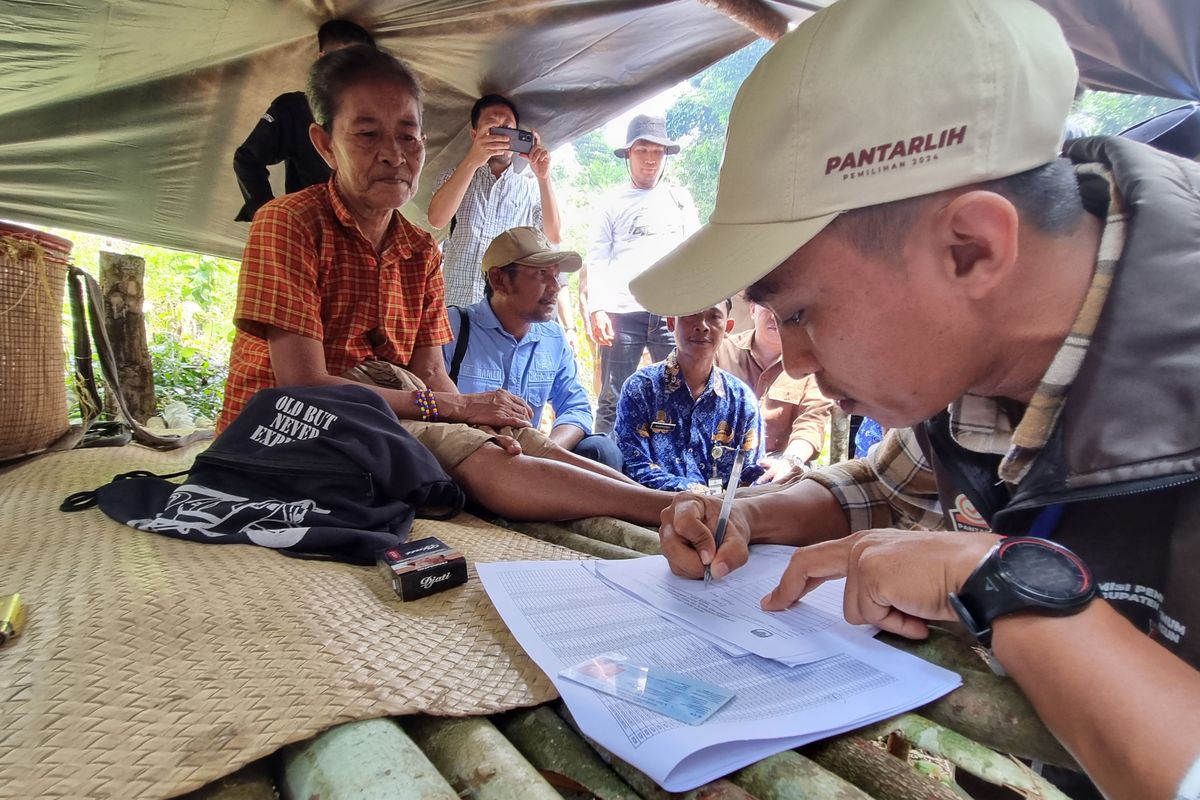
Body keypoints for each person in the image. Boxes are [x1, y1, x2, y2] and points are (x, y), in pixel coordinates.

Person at [628, 0, 1200, 797]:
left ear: (971, 249)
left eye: (799, 313)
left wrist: (1003, 584)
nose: (792, 357)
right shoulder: (975, 364)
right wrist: (750, 516)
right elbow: (884, 489)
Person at [217, 44, 675, 526]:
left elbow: (431, 374)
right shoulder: (288, 222)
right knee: (479, 449)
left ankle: (677, 504)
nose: (393, 154)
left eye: (409, 137)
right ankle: (674, 510)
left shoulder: (419, 249)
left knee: (518, 435)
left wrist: (468, 410)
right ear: (325, 143)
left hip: (381, 417)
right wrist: (454, 408)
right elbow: (304, 385)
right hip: (287, 429)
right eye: (367, 134)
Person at [442, 226, 623, 470]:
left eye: (556, 275)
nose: (555, 287)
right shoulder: (452, 327)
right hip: (468, 461)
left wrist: (545, 452)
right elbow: (433, 409)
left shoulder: (553, 337)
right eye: (541, 274)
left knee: (601, 450)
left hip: (527, 462)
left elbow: (576, 407)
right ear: (499, 280)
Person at [584, 114, 699, 434]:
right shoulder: (610, 202)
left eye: (657, 152)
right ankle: (600, 467)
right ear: (628, 155)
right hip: (622, 311)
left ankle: (681, 469)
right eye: (642, 150)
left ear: (665, 156)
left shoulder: (680, 200)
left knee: (681, 393)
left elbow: (693, 254)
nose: (650, 159)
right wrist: (597, 308)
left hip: (670, 313)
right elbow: (597, 256)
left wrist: (695, 306)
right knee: (612, 397)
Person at [427, 94, 564, 312]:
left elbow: (553, 236)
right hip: (456, 305)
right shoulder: (456, 177)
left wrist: (544, 178)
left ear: (519, 135)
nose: (502, 135)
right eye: (493, 128)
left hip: (506, 311)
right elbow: (436, 219)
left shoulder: (529, 188)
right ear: (474, 135)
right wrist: (473, 160)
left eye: (508, 128)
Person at [232, 19, 374, 222]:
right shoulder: (295, 108)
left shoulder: (377, 117)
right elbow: (247, 159)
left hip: (363, 230)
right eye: (345, 62)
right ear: (322, 60)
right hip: (309, 227)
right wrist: (269, 217)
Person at [614, 300, 763, 492]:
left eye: (714, 317)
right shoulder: (641, 389)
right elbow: (634, 466)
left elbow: (752, 474)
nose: (702, 326)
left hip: (724, 517)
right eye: (691, 314)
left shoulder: (742, 400)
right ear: (670, 322)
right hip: (652, 514)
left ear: (728, 327)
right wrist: (699, 494)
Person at [716, 300, 833, 481]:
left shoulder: (810, 363)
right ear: (753, 310)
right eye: (768, 308)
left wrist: (789, 461)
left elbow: (811, 422)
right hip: (715, 461)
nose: (775, 316)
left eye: (784, 309)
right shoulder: (721, 351)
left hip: (775, 465)